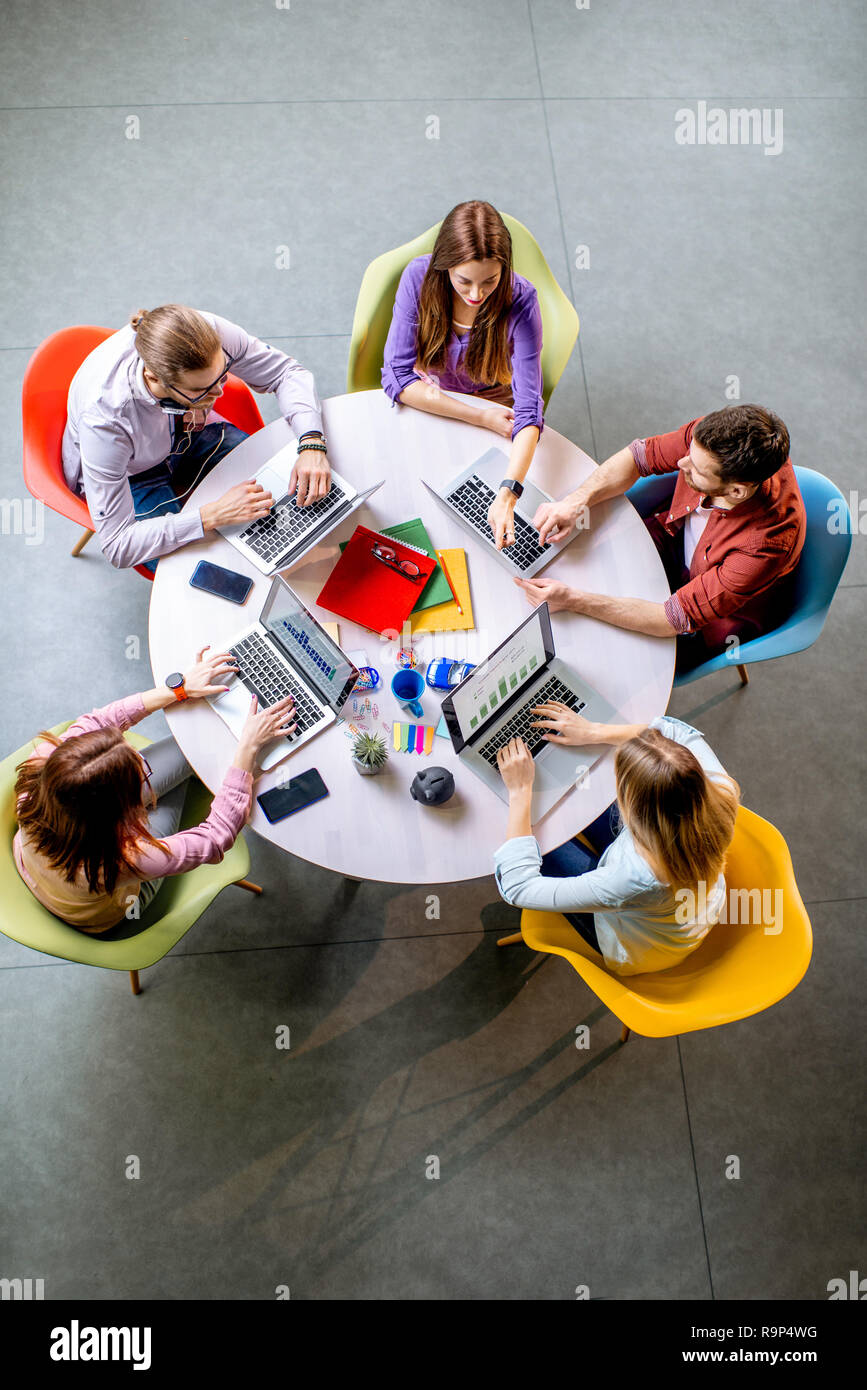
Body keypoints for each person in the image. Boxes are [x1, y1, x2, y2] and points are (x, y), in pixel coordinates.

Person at [13, 648, 296, 932]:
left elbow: (99, 721)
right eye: (140, 778)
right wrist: (247, 748)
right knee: (207, 769)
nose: (145, 763)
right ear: (121, 810)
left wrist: (179, 688)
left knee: (199, 752)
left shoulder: (39, 771)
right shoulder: (122, 860)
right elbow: (214, 840)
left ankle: (230, 758)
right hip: (112, 908)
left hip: (50, 867)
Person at [519, 404, 806, 671]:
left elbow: (671, 620)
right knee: (578, 566)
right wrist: (576, 501)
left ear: (736, 491)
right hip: (673, 535)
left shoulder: (764, 546)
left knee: (607, 659)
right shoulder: (714, 439)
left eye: (696, 469)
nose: (681, 463)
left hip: (707, 618)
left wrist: (574, 600)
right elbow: (638, 456)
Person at [62, 303, 332, 572]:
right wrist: (212, 515)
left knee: (285, 485)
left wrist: (311, 442)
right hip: (133, 474)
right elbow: (118, 545)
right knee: (199, 571)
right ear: (154, 377)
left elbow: (286, 372)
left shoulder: (207, 332)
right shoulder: (104, 421)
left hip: (187, 431)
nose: (220, 394)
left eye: (221, 375)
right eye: (202, 390)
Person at [492, 706, 739, 975]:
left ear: (633, 808)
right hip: (679, 891)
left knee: (543, 840)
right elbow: (669, 731)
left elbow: (519, 887)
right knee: (567, 805)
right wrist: (593, 731)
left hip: (634, 943)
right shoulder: (720, 788)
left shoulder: (634, 878)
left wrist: (519, 791)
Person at [381, 200, 545, 550]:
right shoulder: (418, 277)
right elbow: (396, 377)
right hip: (432, 396)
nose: (475, 294)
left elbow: (529, 412)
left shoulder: (522, 300)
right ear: (445, 265)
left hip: (489, 397)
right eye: (464, 280)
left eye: (490, 281)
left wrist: (509, 492)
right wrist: (480, 417)